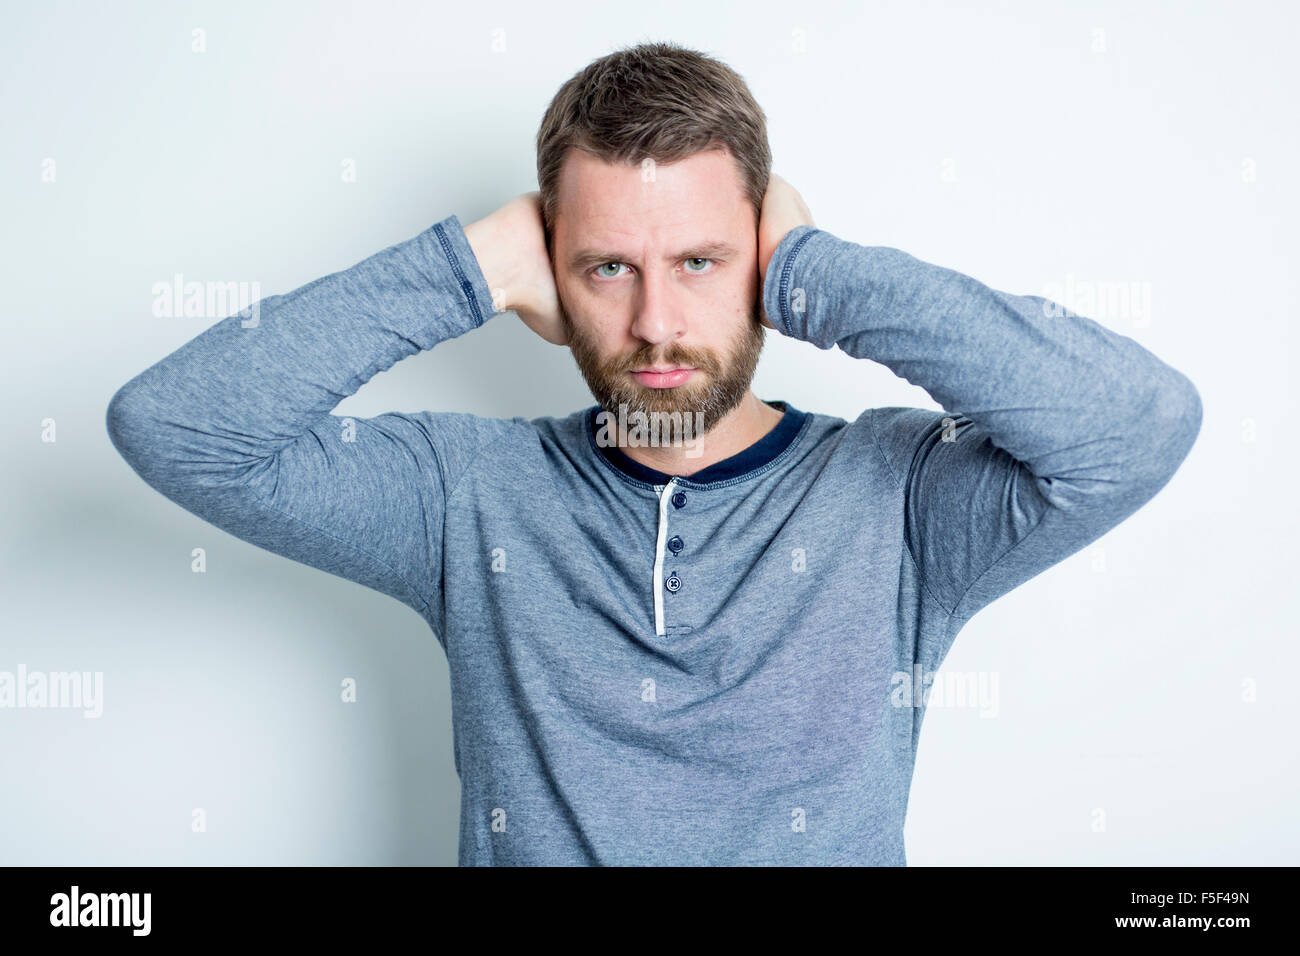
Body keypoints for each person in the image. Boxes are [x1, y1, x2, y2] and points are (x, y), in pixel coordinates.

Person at [106, 41, 1202, 865]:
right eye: (607, 269)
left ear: (763, 258)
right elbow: (179, 426)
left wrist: (824, 271)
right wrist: (470, 265)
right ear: (548, 272)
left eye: (699, 259)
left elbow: (1135, 426)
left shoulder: (899, 499)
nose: (658, 325)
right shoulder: (466, 495)